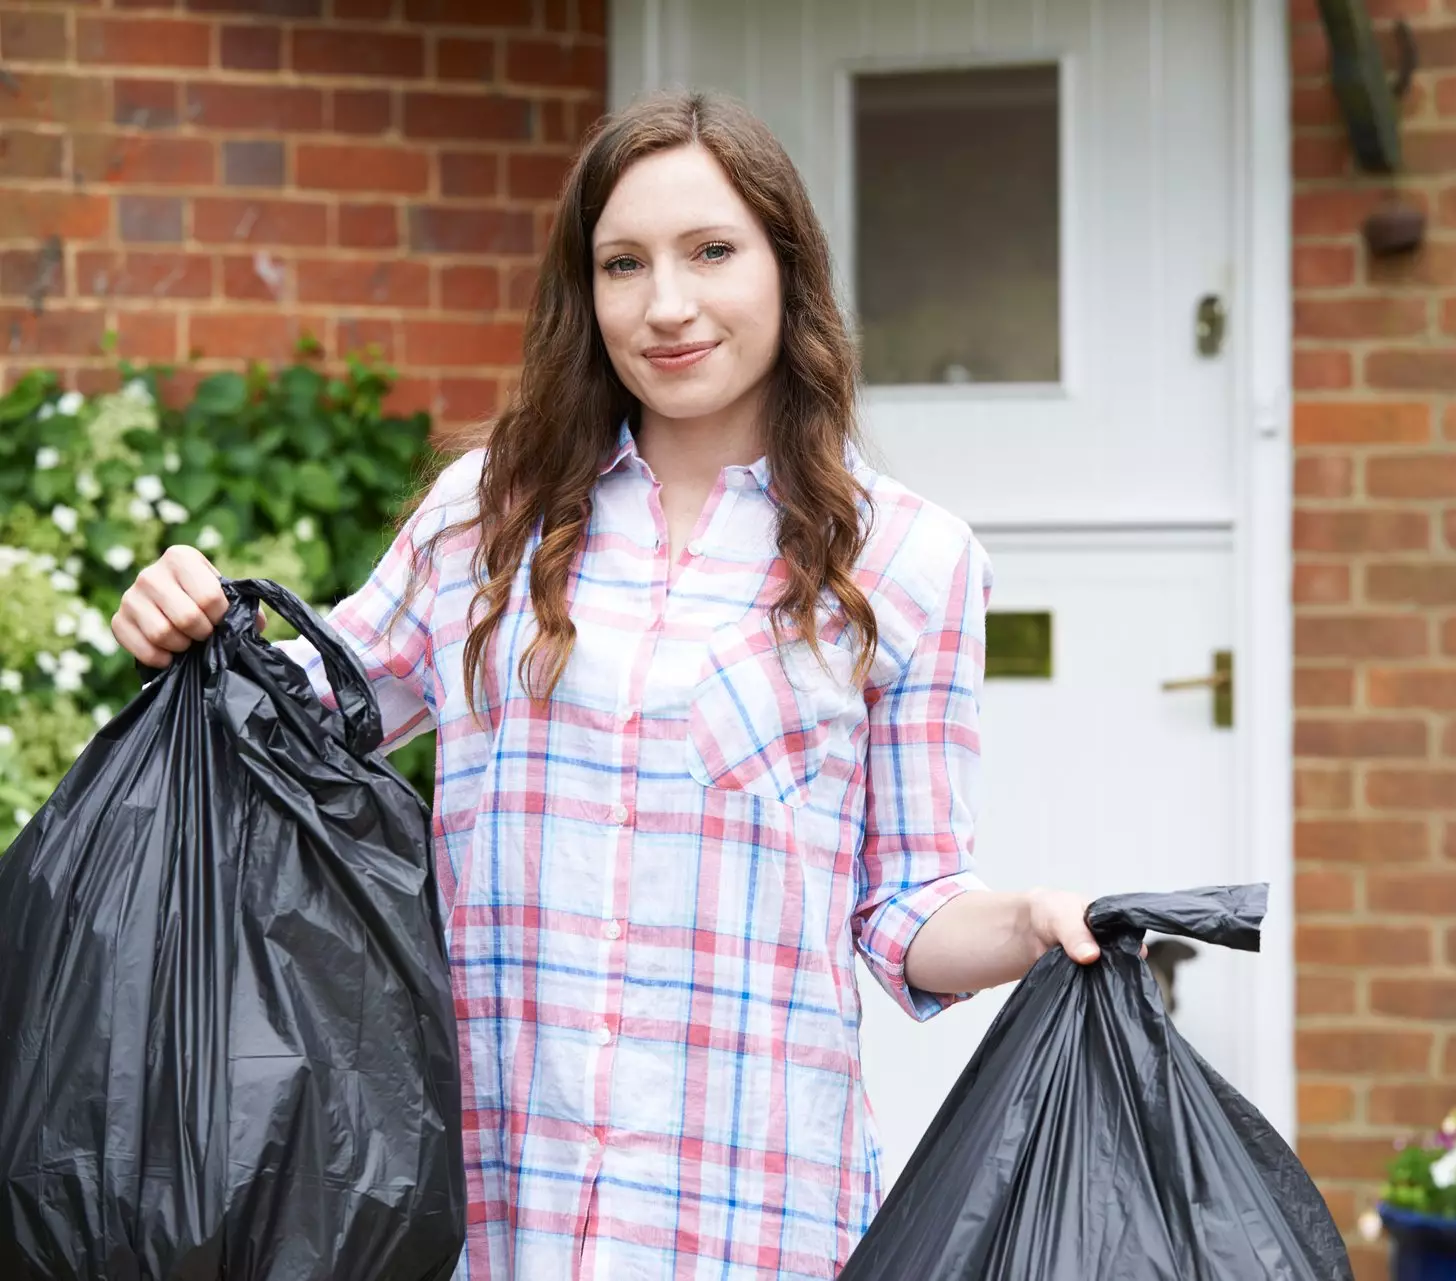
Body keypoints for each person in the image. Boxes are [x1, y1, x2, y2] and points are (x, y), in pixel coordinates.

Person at [110, 91, 1102, 1281]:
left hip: (751, 1211)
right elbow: (307, 709)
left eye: (711, 253)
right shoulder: (487, 516)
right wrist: (187, 615)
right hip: (483, 1204)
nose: (666, 305)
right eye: (623, 263)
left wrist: (1032, 926)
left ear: (787, 270)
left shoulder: (911, 563)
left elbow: (905, 907)